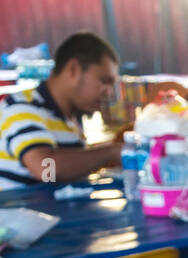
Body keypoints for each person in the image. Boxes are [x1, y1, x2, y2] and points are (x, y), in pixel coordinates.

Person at [0, 32, 121, 189]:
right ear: (73, 69)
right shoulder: (21, 107)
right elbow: (45, 170)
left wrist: (114, 148)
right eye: (104, 81)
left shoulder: (68, 118)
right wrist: (111, 152)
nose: (109, 92)